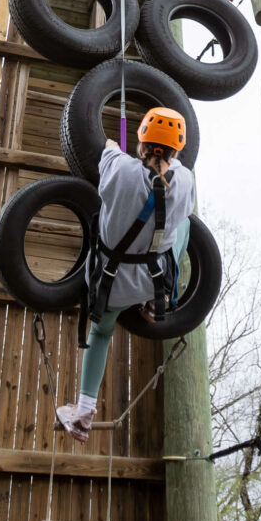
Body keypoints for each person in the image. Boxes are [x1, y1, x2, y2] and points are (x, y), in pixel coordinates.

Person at [56, 107, 195, 441]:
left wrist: (115, 145)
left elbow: (106, 147)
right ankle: (155, 303)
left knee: (101, 332)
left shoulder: (118, 168)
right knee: (185, 226)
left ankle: (83, 413)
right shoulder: (186, 180)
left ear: (141, 143)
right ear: (177, 152)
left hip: (111, 282)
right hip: (152, 280)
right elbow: (177, 196)